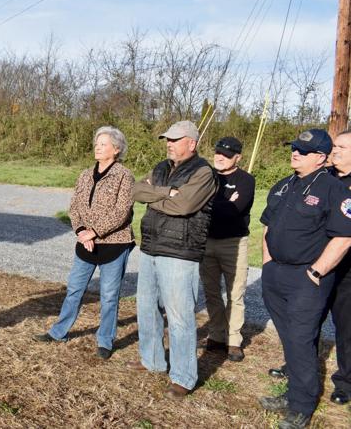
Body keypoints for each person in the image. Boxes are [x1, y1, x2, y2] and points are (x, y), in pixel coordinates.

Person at [258, 129, 351, 428]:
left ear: (321, 158)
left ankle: (301, 405)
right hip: (275, 273)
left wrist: (316, 271)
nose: (295, 153)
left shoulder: (333, 189)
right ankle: (292, 393)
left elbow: (344, 237)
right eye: (294, 148)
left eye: (303, 150)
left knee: (301, 339)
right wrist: (267, 262)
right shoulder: (284, 185)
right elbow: (268, 226)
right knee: (290, 339)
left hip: (306, 278)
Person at [130, 121, 218, 399]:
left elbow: (184, 206)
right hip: (150, 247)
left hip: (180, 251)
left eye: (175, 139)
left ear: (192, 143)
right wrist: (166, 192)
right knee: (146, 308)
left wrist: (155, 195)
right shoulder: (160, 167)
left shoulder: (203, 172)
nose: (169, 143)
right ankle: (152, 360)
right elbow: (135, 190)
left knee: (179, 317)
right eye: (167, 139)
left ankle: (183, 376)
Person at [33, 126, 135, 359]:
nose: (97, 148)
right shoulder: (85, 175)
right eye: (96, 144)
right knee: (74, 289)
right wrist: (81, 231)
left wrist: (95, 232)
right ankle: (58, 332)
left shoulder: (124, 176)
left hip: (114, 244)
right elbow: (75, 207)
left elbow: (122, 212)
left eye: (103, 144)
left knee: (109, 296)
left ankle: (105, 341)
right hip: (85, 242)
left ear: (116, 149)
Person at [200, 137, 255, 362]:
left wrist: (209, 203)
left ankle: (233, 341)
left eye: (227, 155)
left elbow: (235, 209)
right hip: (207, 241)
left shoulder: (246, 180)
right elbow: (195, 203)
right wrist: (223, 202)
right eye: (218, 153)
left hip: (234, 243)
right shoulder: (206, 175)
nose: (220, 158)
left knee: (235, 293)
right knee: (211, 292)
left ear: (238, 158)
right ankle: (216, 335)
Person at [327, 130, 351, 405]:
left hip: (347, 270)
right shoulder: (324, 178)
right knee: (307, 321)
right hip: (319, 264)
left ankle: (345, 382)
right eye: (334, 146)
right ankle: (297, 366)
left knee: (346, 329)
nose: (335, 151)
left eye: (342, 147)